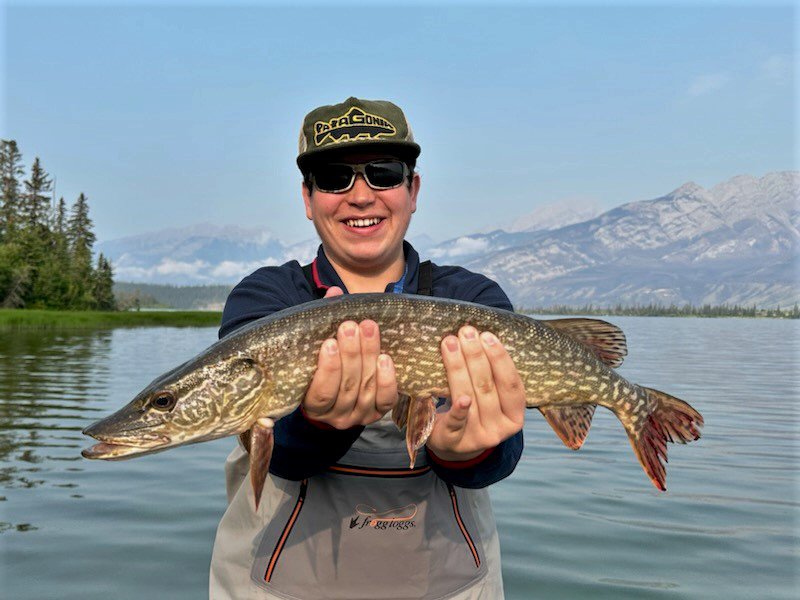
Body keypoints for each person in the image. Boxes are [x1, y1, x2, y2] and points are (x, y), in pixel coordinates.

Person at [209, 97, 525, 600]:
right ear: (308, 198)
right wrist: (315, 422)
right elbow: (280, 453)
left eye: (383, 173)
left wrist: (465, 448)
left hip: (448, 587)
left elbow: (501, 453)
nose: (361, 195)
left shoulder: (472, 300)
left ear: (412, 189)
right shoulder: (267, 300)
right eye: (335, 177)